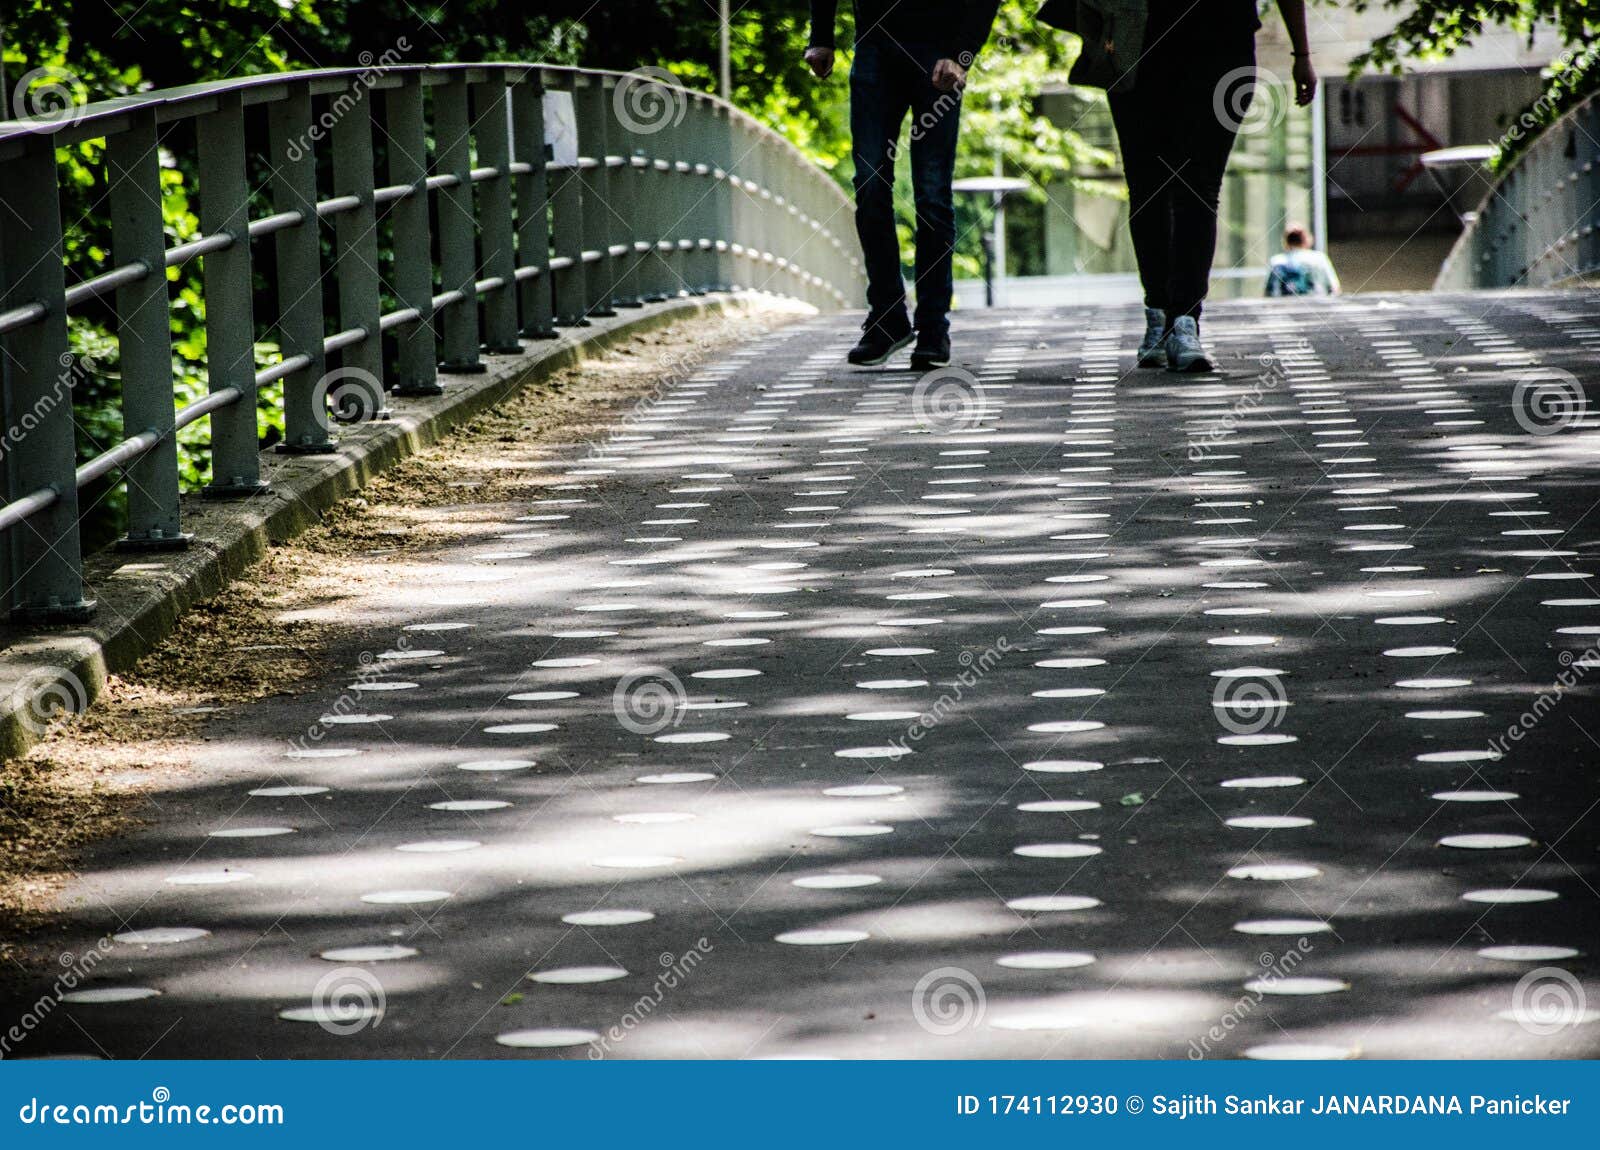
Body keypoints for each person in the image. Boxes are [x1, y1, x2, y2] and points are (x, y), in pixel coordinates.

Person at [1102, 0, 1317, 372]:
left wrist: (1302, 52)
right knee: (1147, 186)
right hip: (1139, 41)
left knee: (1198, 187)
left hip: (1220, 44)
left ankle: (1184, 321)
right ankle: (1159, 314)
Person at [806, 0, 1001, 369]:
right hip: (874, 49)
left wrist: (961, 54)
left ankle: (932, 328)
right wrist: (821, 37)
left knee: (931, 195)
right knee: (870, 184)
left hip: (939, 54)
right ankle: (887, 319)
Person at [1266, 224, 1341, 297]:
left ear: (1286, 241)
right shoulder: (1319, 258)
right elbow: (1334, 288)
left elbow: (1270, 291)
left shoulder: (1277, 261)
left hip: (1286, 307)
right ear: (1306, 240)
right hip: (1316, 306)